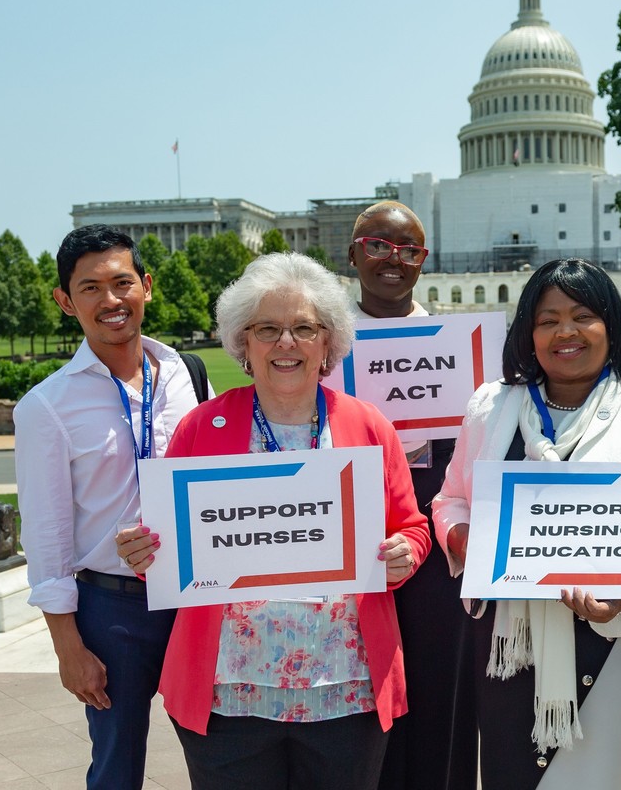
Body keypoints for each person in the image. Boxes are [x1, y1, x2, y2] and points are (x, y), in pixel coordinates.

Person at [116, 251, 430, 790]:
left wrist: (405, 552)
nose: (286, 343)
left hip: (345, 689)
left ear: (327, 343)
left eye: (304, 328)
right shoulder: (201, 428)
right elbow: (168, 547)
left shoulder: (367, 424)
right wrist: (145, 554)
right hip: (228, 695)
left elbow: (413, 526)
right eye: (268, 329)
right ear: (244, 343)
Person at [432, 257, 621, 790]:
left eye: (583, 315)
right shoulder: (490, 406)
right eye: (547, 319)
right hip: (510, 651)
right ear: (528, 333)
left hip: (614, 641)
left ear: (611, 325)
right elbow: (450, 499)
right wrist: (465, 538)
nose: (566, 332)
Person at [13, 225, 207, 790]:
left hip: (196, 596)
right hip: (113, 610)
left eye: (122, 282)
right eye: (90, 288)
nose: (110, 300)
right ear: (65, 301)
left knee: (226, 753)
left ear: (146, 286)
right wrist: (67, 646)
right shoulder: (47, 406)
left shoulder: (182, 375)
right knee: (117, 768)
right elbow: (46, 535)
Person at [350, 202, 477, 790]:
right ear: (353, 253)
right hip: (352, 540)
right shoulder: (323, 345)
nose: (392, 261)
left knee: (438, 692)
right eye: (378, 245)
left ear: (424, 262)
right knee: (363, 693)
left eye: (408, 251)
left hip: (434, 542)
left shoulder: (461, 348)